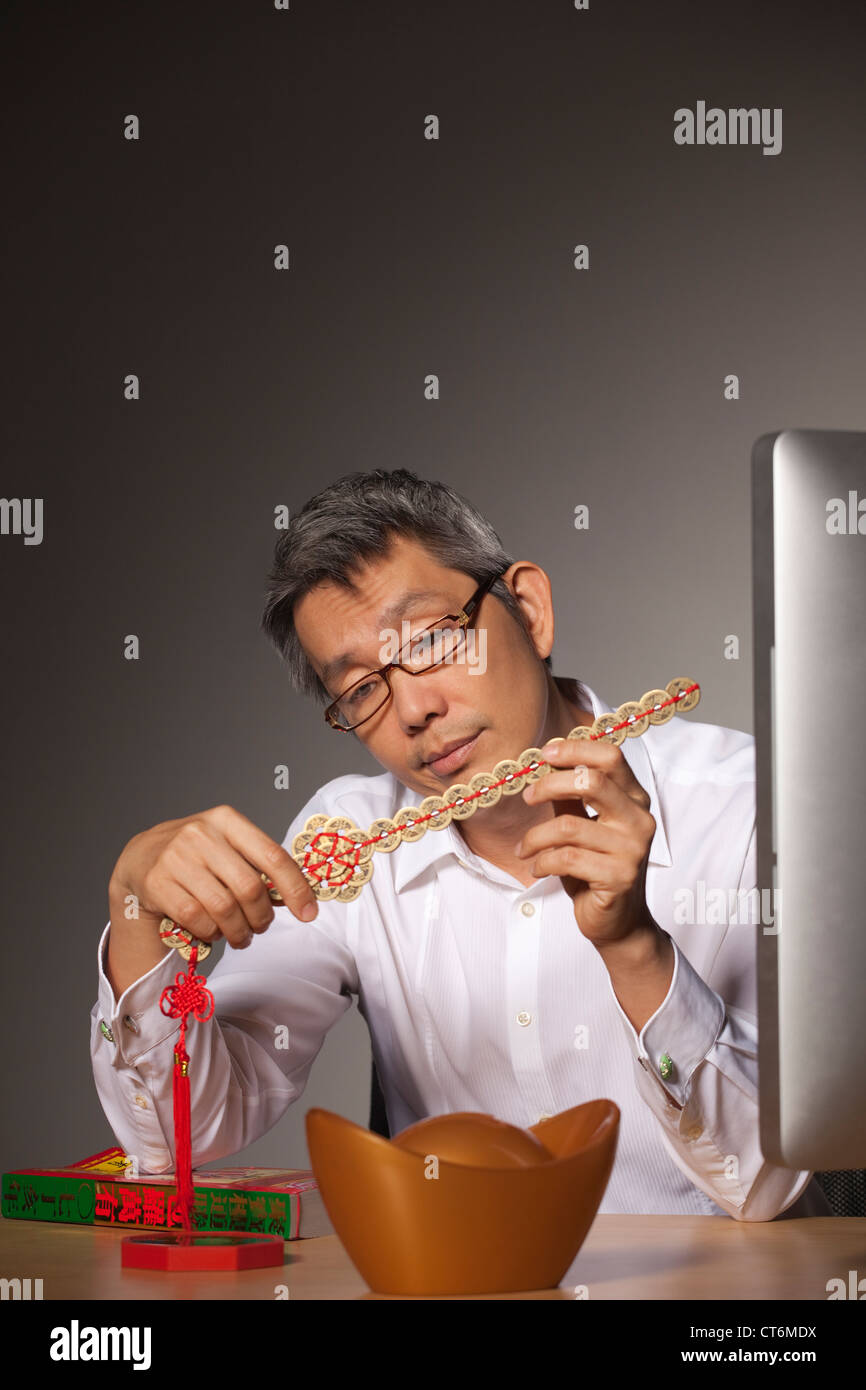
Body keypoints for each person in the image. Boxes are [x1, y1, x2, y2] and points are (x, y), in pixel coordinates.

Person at [91, 468, 829, 1219]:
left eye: (434, 639)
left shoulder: (749, 808)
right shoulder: (347, 840)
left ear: (530, 612)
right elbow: (178, 1139)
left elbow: (767, 1187)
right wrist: (135, 913)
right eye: (361, 690)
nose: (414, 708)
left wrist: (636, 949)